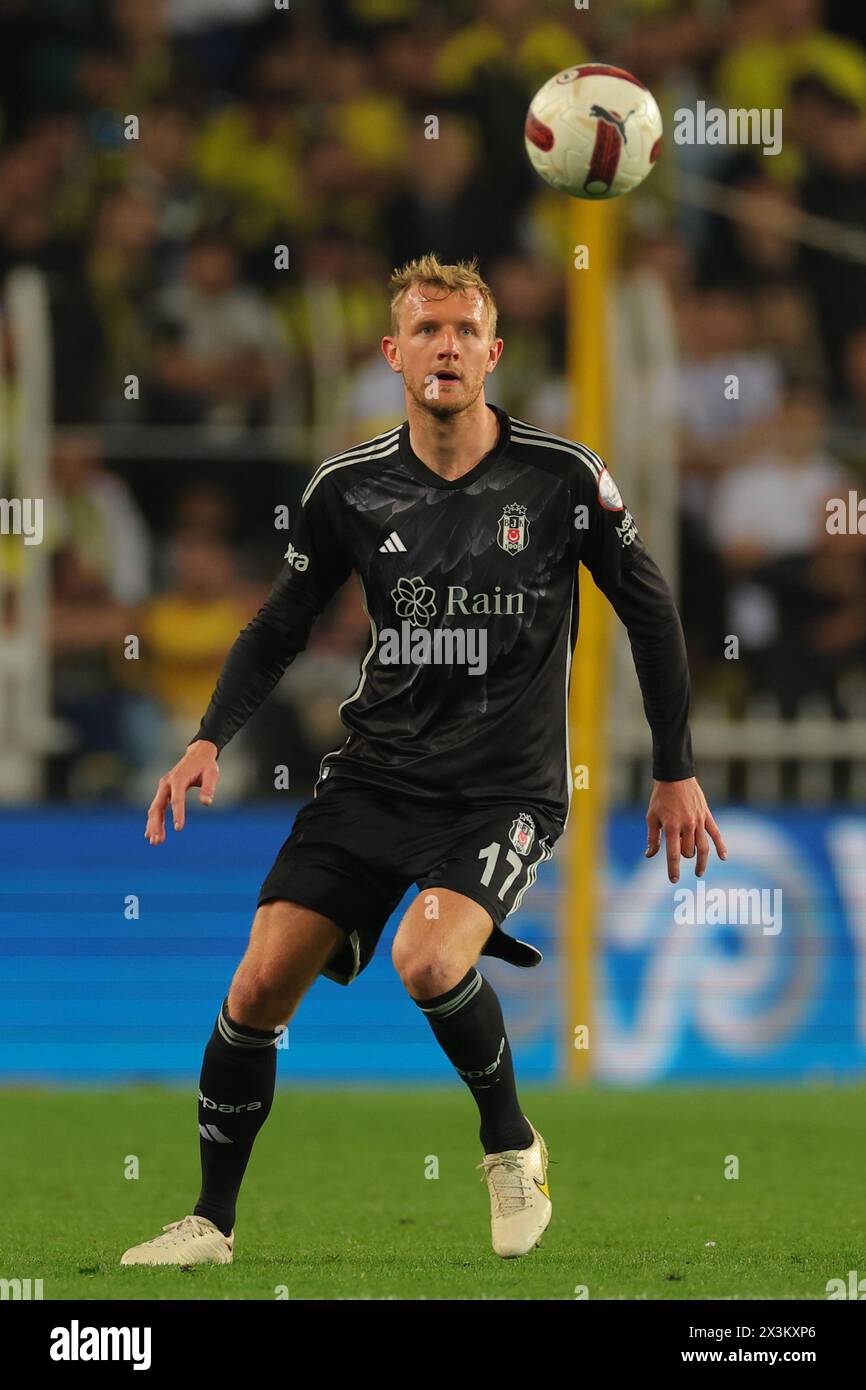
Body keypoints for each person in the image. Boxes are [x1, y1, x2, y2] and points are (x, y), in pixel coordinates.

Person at [120, 255, 726, 1268]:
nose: (443, 345)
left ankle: (508, 1143)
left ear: (492, 353)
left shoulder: (560, 478)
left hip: (502, 789)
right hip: (374, 775)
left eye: (462, 330)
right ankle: (209, 1223)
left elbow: (649, 608)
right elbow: (278, 624)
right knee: (261, 982)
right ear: (391, 352)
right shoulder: (348, 489)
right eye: (424, 328)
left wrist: (673, 766)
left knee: (427, 957)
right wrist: (204, 739)